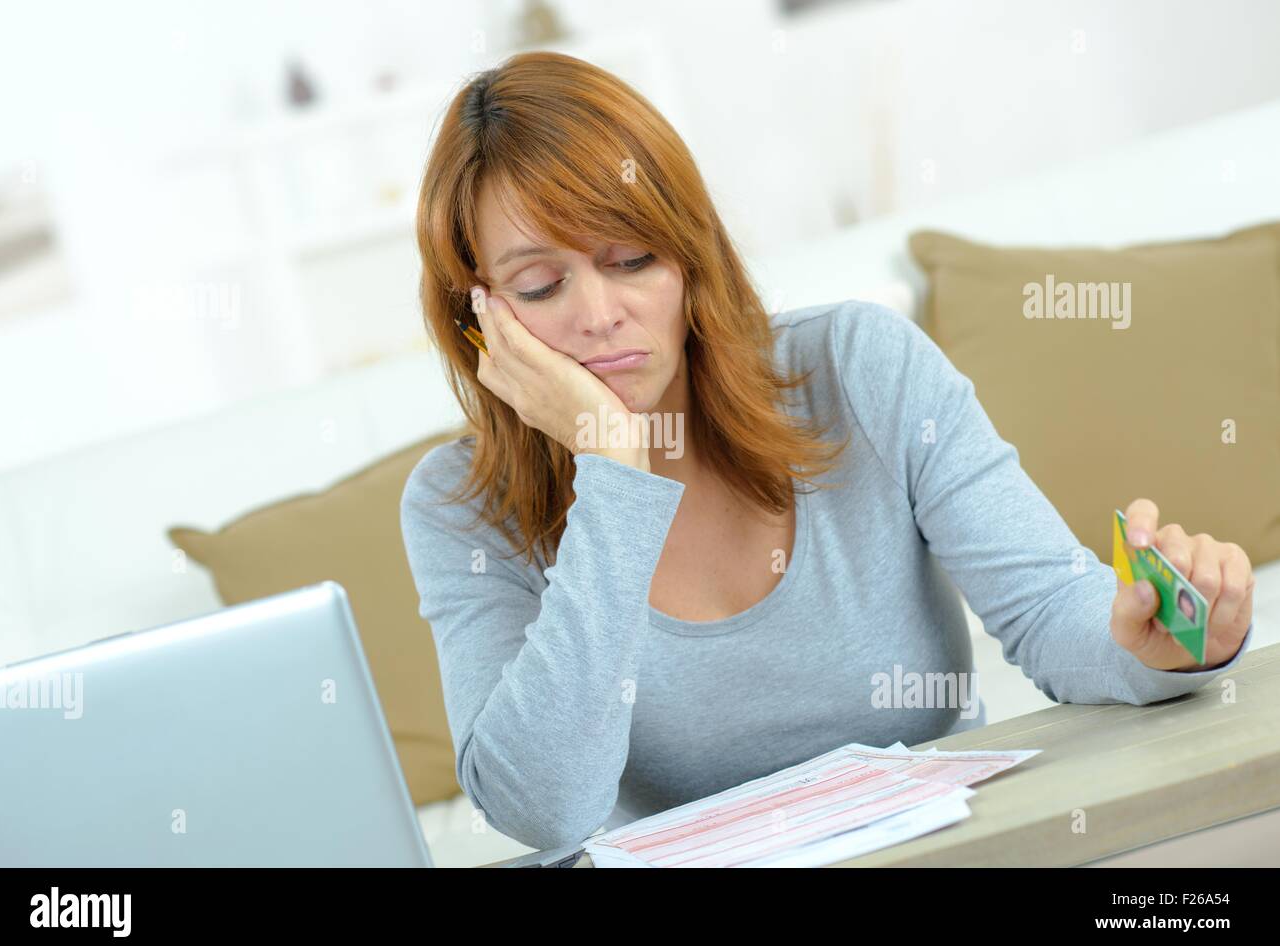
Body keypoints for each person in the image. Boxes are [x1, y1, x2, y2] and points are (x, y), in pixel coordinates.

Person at [400, 51, 1256, 852]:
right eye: (540, 285)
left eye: (632, 259)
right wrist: (613, 469)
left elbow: (1046, 609)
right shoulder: (458, 508)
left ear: (692, 259)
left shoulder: (857, 366)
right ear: (479, 316)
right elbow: (545, 807)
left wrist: (1155, 647)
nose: (597, 313)